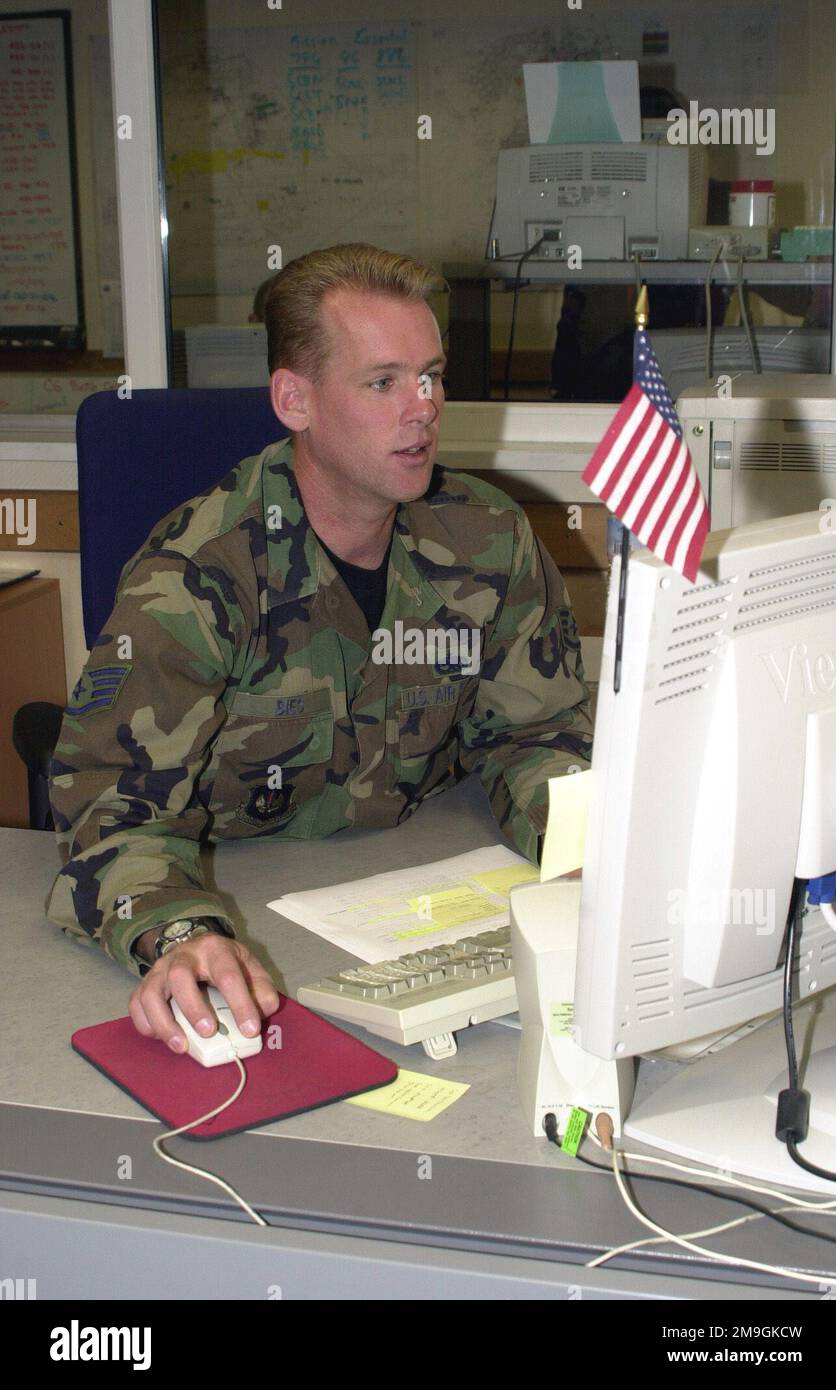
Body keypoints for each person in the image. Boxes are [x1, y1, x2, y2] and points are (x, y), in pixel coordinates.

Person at [48, 243, 593, 1056]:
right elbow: (112, 807)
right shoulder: (201, 574)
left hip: (419, 904)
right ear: (294, 400)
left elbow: (532, 735)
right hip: (245, 905)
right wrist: (176, 934)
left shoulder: (486, 536)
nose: (423, 407)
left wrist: (586, 853)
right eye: (384, 382)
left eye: (432, 375)